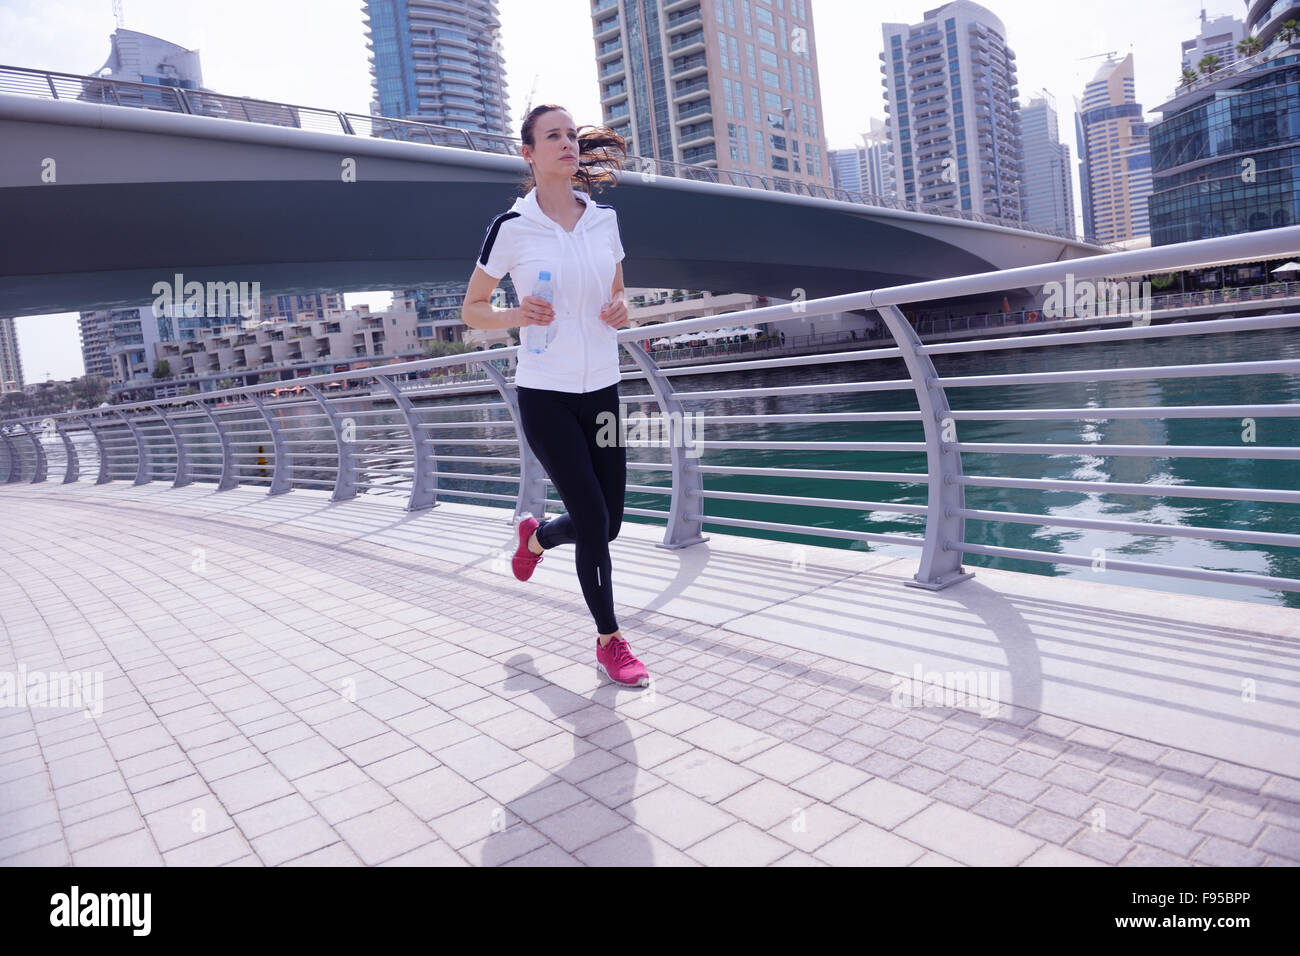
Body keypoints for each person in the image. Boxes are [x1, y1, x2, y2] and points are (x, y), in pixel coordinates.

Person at [461, 104, 649, 688]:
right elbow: (471, 311)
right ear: (529, 153)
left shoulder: (604, 219)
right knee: (592, 519)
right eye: (553, 136)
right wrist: (516, 313)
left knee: (609, 522)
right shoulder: (511, 228)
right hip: (546, 395)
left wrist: (623, 309)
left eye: (571, 134)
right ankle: (610, 641)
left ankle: (536, 536)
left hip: (603, 391)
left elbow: (618, 295)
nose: (567, 143)